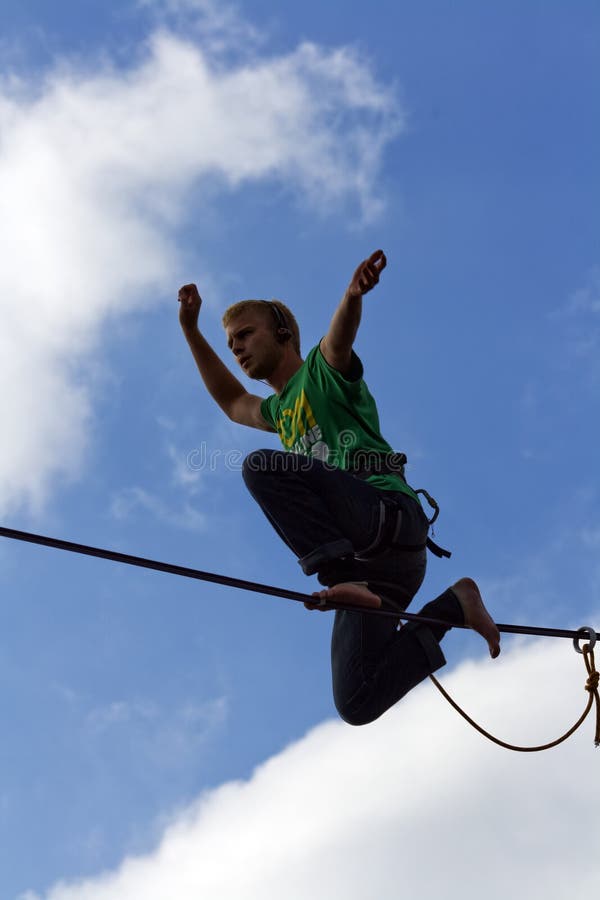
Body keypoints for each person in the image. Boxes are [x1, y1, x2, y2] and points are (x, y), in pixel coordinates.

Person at [178, 250, 500, 726]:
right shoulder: (277, 414)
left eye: (246, 335)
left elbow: (338, 340)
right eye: (231, 344)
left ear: (282, 332)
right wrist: (191, 331)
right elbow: (230, 401)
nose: (238, 348)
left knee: (260, 467)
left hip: (386, 517)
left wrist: (352, 296)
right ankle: (455, 605)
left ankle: (337, 577)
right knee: (357, 700)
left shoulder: (322, 374)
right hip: (379, 570)